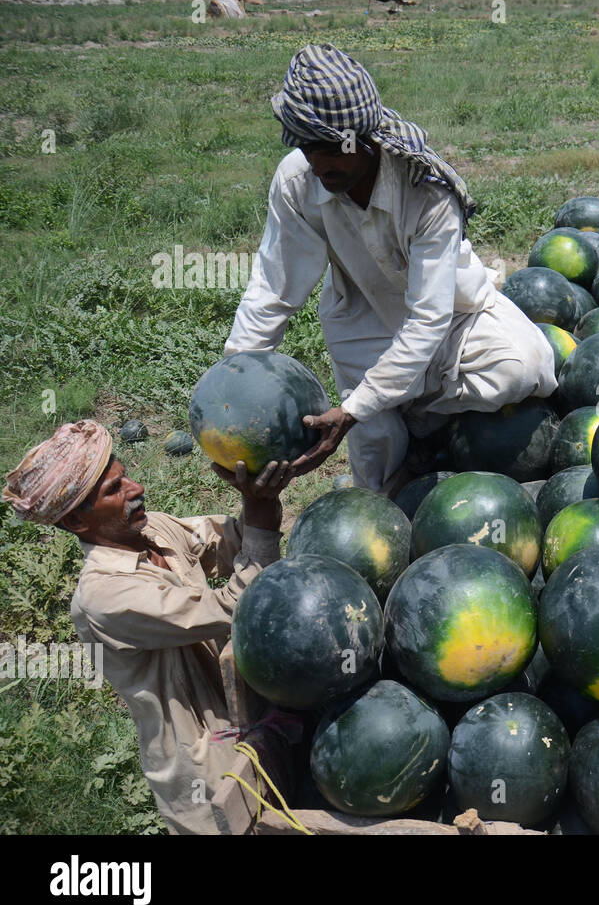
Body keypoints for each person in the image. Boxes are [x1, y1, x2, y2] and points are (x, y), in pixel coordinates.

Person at [224, 43, 557, 493]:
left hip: (453, 312)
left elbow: (428, 318)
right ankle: (409, 438)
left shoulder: (426, 193)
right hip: (361, 316)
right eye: (307, 148)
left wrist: (360, 404)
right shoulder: (297, 181)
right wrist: (234, 378)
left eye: (332, 150)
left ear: (366, 140)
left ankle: (426, 427)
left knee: (523, 367)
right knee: (376, 469)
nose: (320, 164)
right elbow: (274, 288)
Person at [2, 420, 298, 835]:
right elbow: (233, 608)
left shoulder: (150, 529)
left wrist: (255, 500)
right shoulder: (105, 597)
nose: (135, 489)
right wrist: (263, 518)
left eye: (125, 477)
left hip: (244, 707)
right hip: (205, 761)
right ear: (76, 524)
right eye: (114, 490)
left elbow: (225, 540)